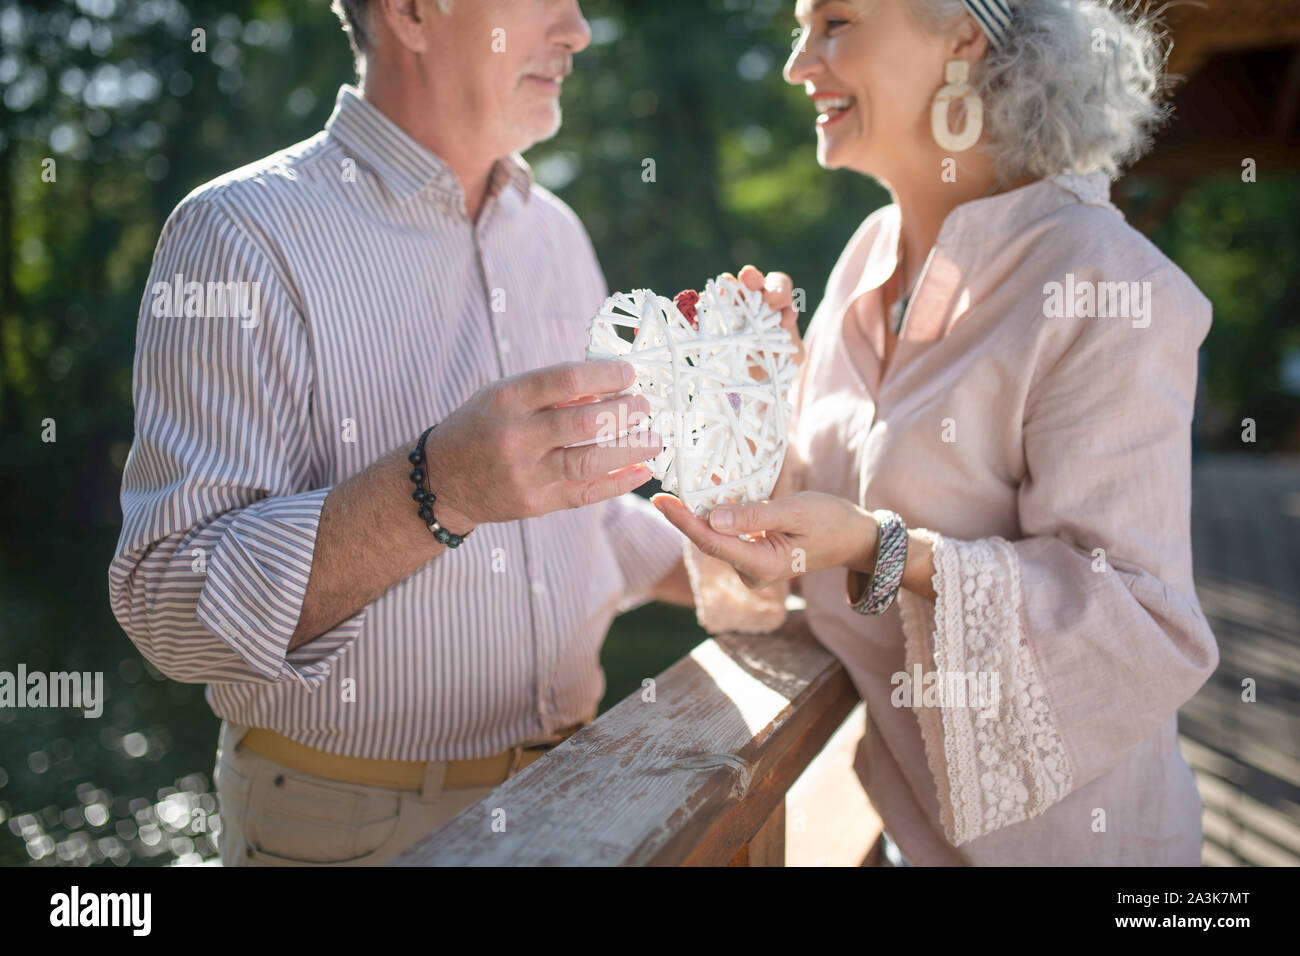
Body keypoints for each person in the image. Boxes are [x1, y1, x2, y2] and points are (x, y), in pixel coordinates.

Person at [108, 0, 794, 867]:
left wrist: (740, 501)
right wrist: (439, 488)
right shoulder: (239, 234)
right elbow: (169, 605)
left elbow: (587, 529)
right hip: (354, 833)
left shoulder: (558, 234)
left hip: (590, 793)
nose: (578, 30)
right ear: (411, 11)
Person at [654, 0, 1219, 865]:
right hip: (902, 837)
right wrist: (749, 424)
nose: (798, 63)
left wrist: (881, 550)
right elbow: (801, 546)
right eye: (801, 28)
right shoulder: (865, 256)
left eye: (836, 21)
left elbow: (1143, 625)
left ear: (963, 37)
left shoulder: (1109, 285)